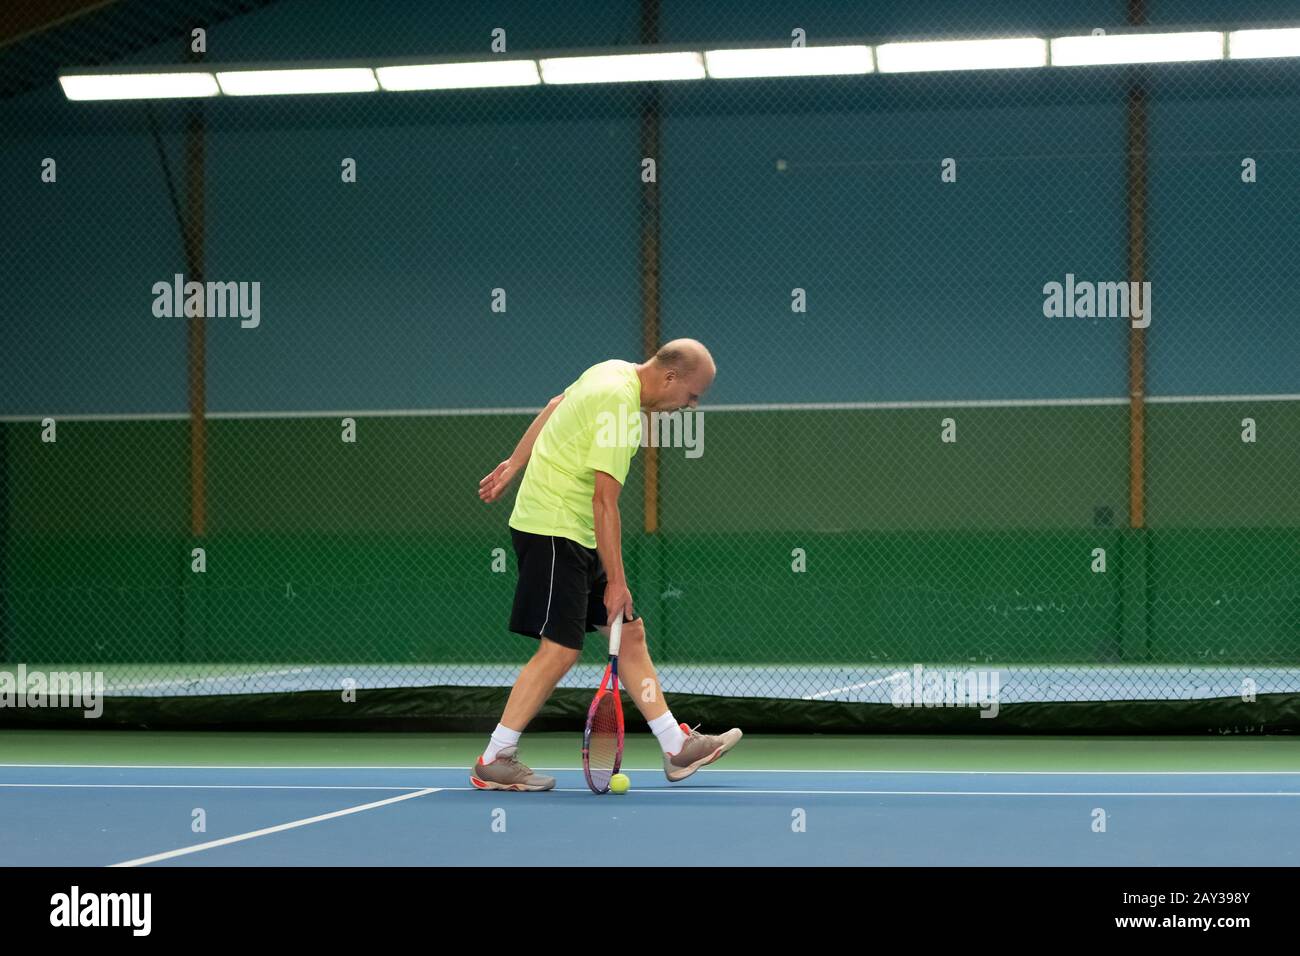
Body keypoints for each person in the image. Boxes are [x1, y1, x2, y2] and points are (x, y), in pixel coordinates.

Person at [471, 338, 742, 791]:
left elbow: (557, 404)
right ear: (671, 377)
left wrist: (515, 462)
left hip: (574, 528)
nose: (690, 407)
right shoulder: (621, 411)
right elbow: (605, 502)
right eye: (692, 396)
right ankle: (495, 757)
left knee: (629, 634)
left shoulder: (612, 369)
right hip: (554, 528)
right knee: (561, 649)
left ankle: (676, 746)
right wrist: (616, 581)